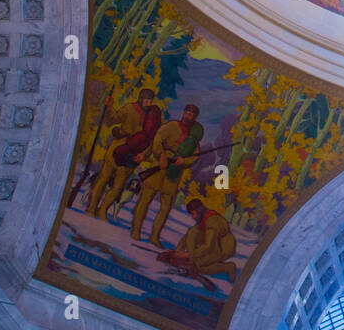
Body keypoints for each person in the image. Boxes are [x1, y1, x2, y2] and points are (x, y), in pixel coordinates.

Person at [131, 104, 204, 247]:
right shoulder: (171, 126)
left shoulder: (194, 136)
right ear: (183, 113)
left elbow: (195, 155)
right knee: (145, 200)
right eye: (187, 113)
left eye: (192, 115)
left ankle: (154, 237)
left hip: (174, 173)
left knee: (165, 208)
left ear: (195, 117)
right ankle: (136, 231)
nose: (188, 116)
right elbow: (157, 140)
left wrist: (184, 161)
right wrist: (161, 154)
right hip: (159, 166)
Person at [88, 88, 157, 219]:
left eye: (150, 101)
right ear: (141, 99)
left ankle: (102, 210)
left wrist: (144, 154)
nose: (148, 104)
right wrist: (109, 106)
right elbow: (113, 119)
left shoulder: (152, 118)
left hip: (133, 155)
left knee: (118, 187)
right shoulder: (130, 109)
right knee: (103, 178)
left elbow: (152, 140)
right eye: (146, 101)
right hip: (118, 147)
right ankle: (91, 207)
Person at [157, 199, 238, 282]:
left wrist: (188, 255)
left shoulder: (213, 222)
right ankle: (191, 259)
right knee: (193, 231)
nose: (193, 217)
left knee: (199, 267)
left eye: (193, 214)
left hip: (223, 248)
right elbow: (189, 236)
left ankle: (228, 267)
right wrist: (177, 252)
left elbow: (208, 246)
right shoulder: (203, 217)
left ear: (199, 210)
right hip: (213, 243)